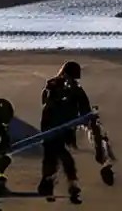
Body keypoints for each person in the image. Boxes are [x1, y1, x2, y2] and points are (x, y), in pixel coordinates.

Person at [37, 61, 93, 202]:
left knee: (53, 157)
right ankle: (68, 186)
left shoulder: (74, 89)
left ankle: (50, 184)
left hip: (60, 129)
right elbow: (47, 103)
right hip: (52, 128)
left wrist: (87, 119)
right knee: (60, 157)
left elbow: (85, 109)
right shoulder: (53, 86)